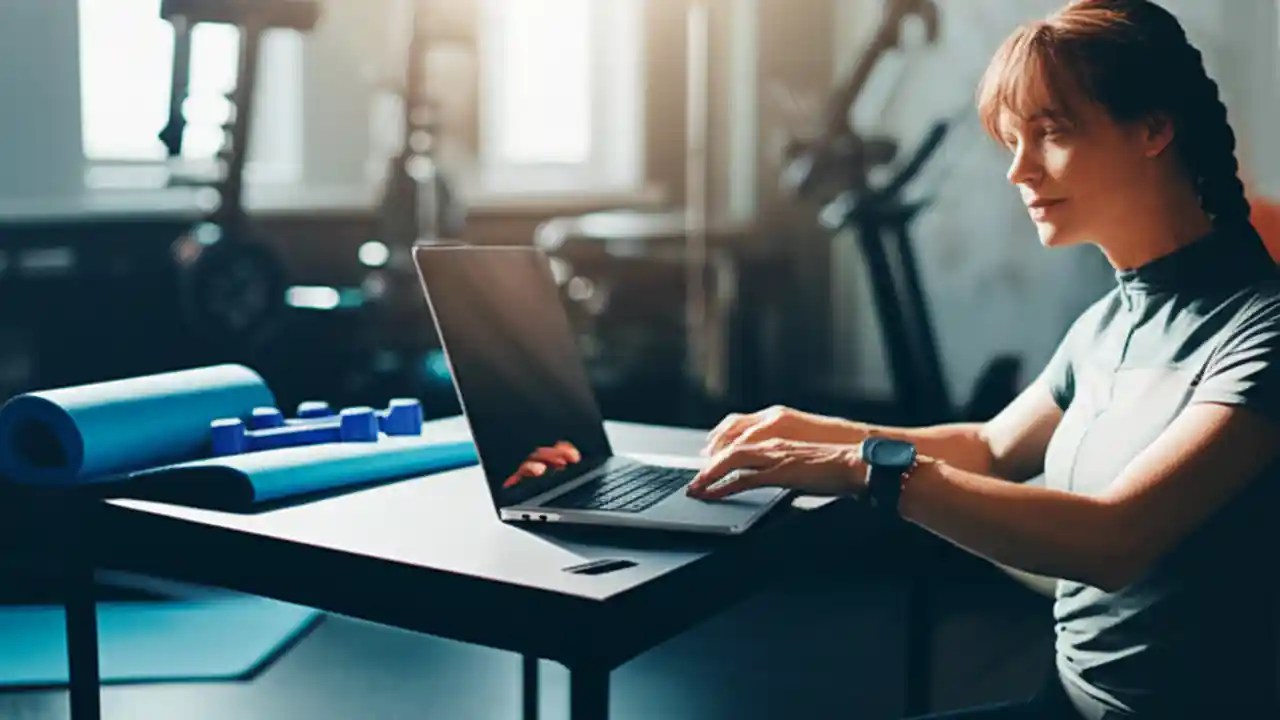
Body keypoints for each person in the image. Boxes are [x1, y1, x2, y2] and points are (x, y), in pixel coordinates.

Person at [686, 1, 1280, 717]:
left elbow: (1113, 540)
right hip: (1061, 700)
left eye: (1051, 133)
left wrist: (864, 471)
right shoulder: (1107, 322)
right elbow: (993, 447)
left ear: (1153, 128)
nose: (1018, 170)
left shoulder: (1263, 328)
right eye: (1011, 140)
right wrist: (807, 428)